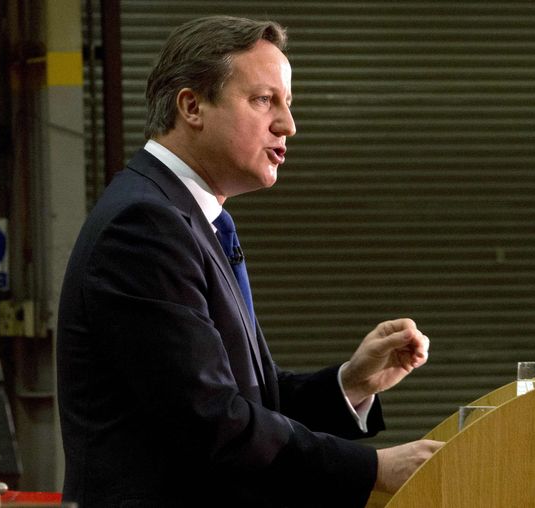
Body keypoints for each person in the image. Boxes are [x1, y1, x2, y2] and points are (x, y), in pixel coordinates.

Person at [56, 15, 442, 508]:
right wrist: (373, 468)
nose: (288, 125)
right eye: (264, 101)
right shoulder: (144, 226)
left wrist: (350, 381)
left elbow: (246, 402)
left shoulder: (187, 216)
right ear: (192, 106)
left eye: (288, 104)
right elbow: (213, 422)